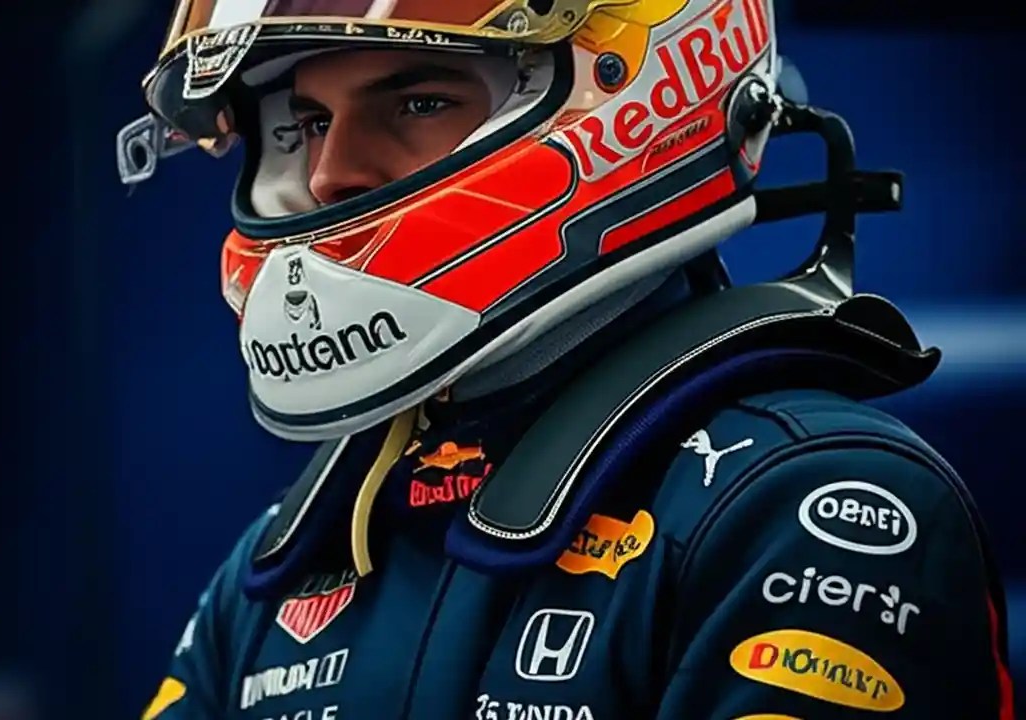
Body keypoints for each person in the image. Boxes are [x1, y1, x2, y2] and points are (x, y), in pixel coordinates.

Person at [117, 1, 1015, 718]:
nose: (327, 175)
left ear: (634, 99)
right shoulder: (297, 549)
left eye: (417, 103)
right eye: (306, 122)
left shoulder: (804, 508)